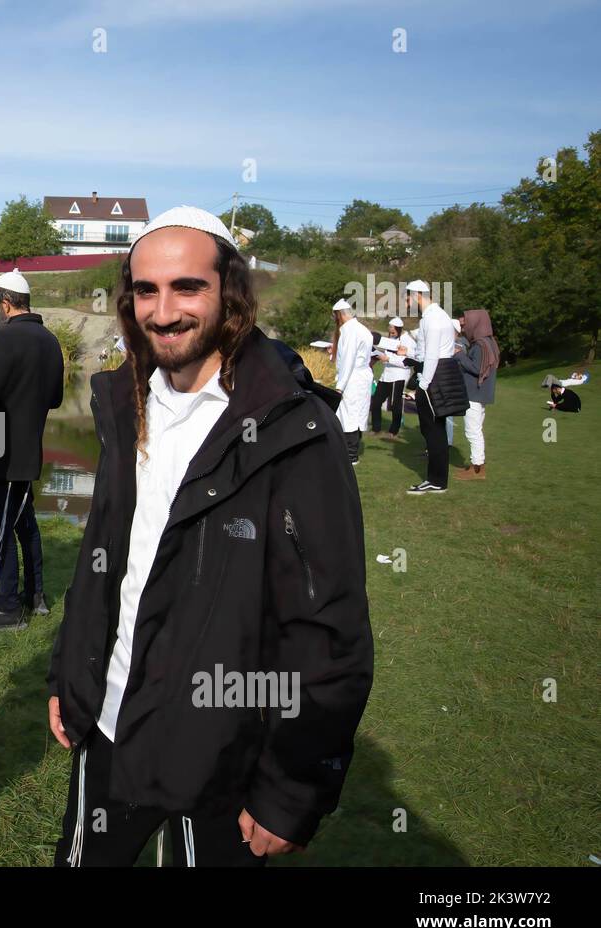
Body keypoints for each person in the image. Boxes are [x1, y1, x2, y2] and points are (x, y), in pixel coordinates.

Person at [47, 206, 373, 867]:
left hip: (219, 743)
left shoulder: (291, 429)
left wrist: (293, 786)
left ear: (231, 293)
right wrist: (68, 672)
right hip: (108, 722)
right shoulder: (122, 404)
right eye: (145, 290)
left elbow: (325, 624)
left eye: (186, 287)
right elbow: (105, 564)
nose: (163, 312)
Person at [0, 269, 65, 634]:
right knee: (24, 524)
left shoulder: (6, 338)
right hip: (28, 451)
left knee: (1, 531)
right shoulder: (51, 340)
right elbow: (55, 397)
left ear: (3, 302)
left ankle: (8, 609)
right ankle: (34, 596)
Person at [404, 279, 461, 494]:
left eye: (408, 296)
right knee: (435, 431)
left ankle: (436, 480)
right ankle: (437, 480)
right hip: (436, 376)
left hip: (434, 379)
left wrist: (423, 385)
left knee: (433, 431)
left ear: (418, 294)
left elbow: (432, 354)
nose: (407, 300)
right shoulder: (436, 316)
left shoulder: (433, 318)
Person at [453, 309, 498, 480]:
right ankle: (476, 465)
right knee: (476, 429)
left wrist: (460, 355)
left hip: (475, 393)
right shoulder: (490, 342)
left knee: (473, 431)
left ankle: (478, 468)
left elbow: (477, 369)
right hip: (481, 393)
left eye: (467, 324)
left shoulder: (480, 345)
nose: (465, 328)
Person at [330, 298, 371, 465]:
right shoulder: (361, 328)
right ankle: (352, 452)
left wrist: (339, 386)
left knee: (349, 416)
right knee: (357, 414)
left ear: (340, 315)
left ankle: (350, 455)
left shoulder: (349, 331)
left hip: (353, 378)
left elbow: (348, 359)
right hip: (361, 376)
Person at [371, 317, 412, 440]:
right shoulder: (389, 340)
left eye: (393, 329)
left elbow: (407, 362)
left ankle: (394, 431)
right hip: (386, 376)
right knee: (376, 402)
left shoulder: (407, 340)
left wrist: (389, 359)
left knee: (395, 404)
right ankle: (376, 428)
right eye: (389, 328)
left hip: (399, 376)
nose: (390, 331)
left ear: (399, 329)